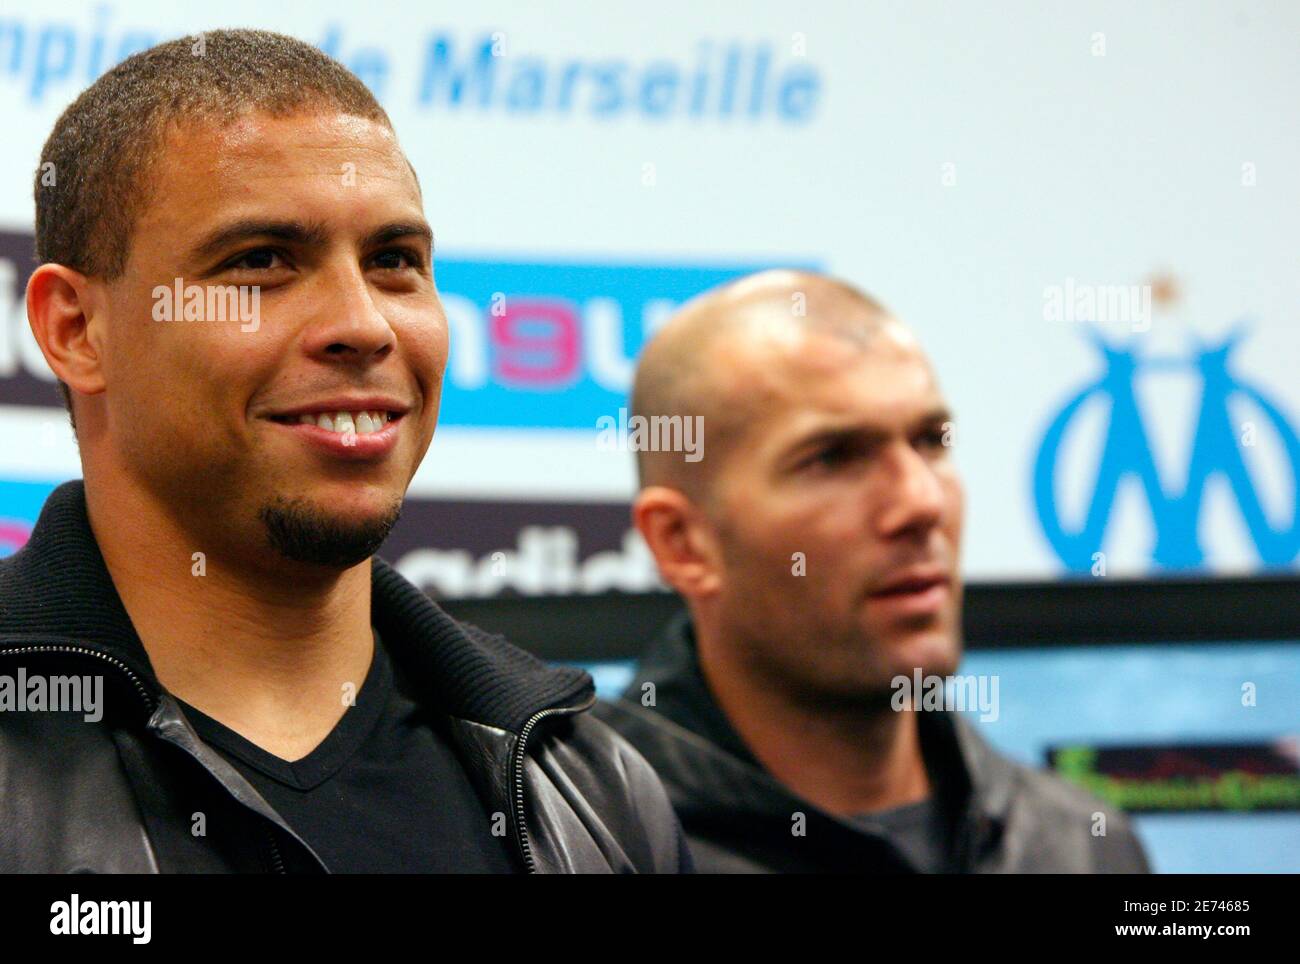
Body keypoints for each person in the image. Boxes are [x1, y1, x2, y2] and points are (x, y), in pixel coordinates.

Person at [4, 29, 687, 874]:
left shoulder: (589, 784)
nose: (363, 326)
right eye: (261, 262)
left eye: (395, 261)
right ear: (76, 330)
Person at [595, 269, 1150, 872]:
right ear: (684, 544)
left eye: (930, 441)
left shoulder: (1079, 845)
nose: (921, 503)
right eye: (832, 458)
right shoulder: (584, 851)